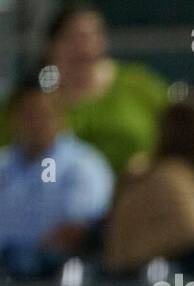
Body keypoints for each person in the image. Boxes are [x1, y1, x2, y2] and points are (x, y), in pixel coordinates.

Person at [3, 3, 170, 175]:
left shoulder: (139, 85)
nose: (84, 48)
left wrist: (152, 161)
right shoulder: (30, 101)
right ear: (50, 46)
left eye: (92, 36)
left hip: (138, 194)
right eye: (72, 38)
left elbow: (180, 137)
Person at [0, 76, 113, 276]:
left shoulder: (83, 165)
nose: (36, 123)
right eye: (28, 114)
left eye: (43, 114)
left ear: (60, 117)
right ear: (13, 117)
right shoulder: (3, 164)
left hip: (57, 270)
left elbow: (80, 229)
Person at [102, 101, 194, 274]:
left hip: (151, 274)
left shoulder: (170, 174)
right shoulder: (169, 174)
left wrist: (132, 254)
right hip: (139, 275)